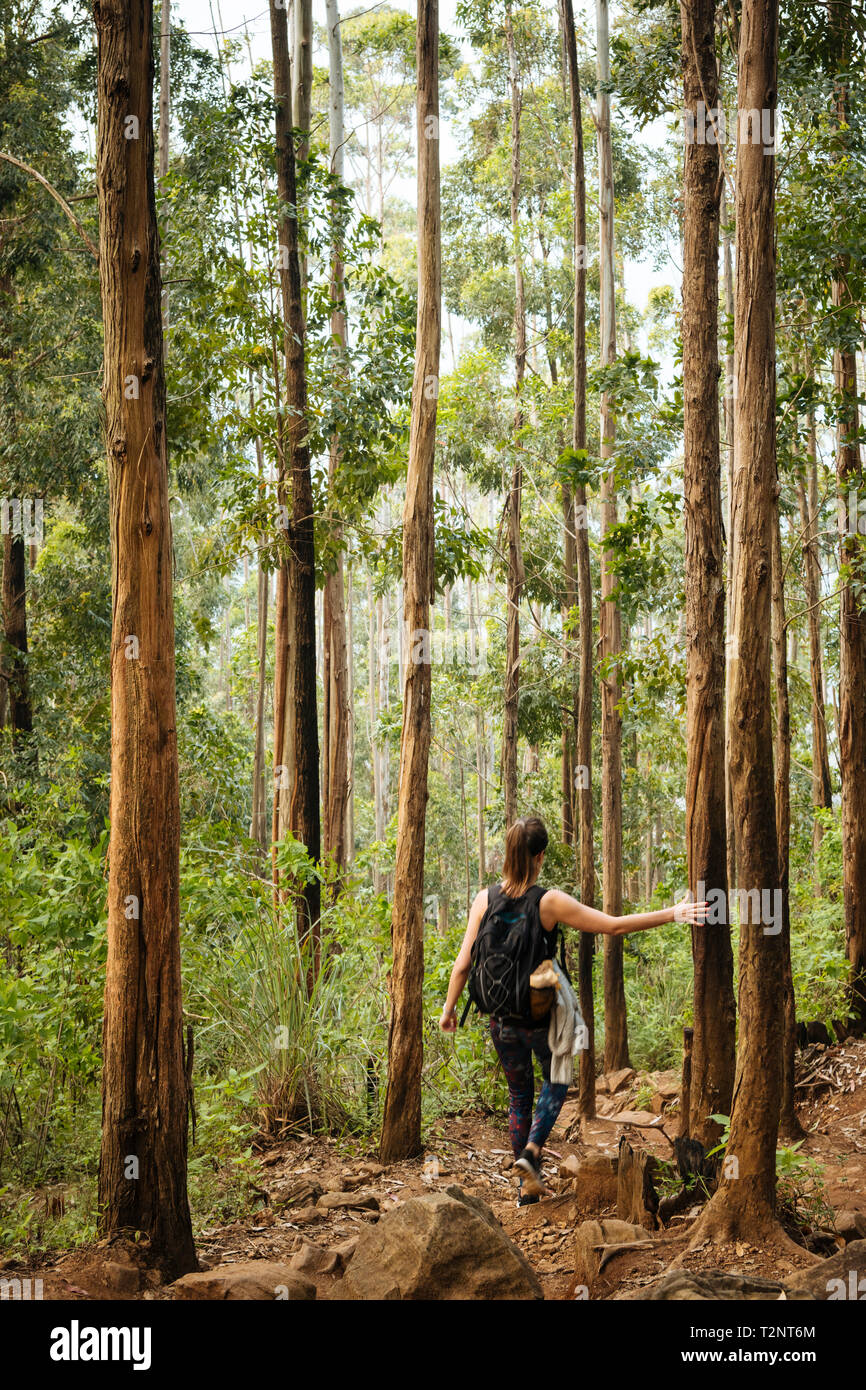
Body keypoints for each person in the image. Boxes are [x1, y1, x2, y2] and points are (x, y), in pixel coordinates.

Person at [439, 815, 708, 1204]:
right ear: (540, 856)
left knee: (518, 1096)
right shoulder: (547, 901)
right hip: (538, 1018)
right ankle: (531, 1154)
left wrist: (449, 1009)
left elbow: (463, 963)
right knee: (558, 1081)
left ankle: (525, 1189)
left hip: (500, 1021)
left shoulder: (484, 899)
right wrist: (673, 913)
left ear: (508, 854)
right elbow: (612, 926)